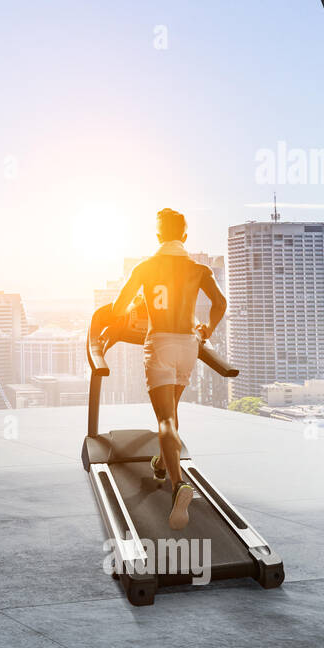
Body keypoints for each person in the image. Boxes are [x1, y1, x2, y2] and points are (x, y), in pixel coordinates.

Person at [111, 208, 226, 530]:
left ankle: (179, 485)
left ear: (158, 236)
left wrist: (137, 307)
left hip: (159, 342)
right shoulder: (198, 269)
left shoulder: (146, 267)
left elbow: (119, 307)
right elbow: (220, 304)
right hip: (188, 344)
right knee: (172, 415)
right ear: (184, 237)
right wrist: (207, 330)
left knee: (164, 420)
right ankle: (162, 463)